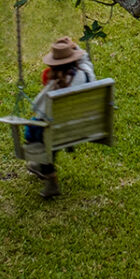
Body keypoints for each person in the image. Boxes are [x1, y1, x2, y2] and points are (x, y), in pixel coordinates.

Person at [24, 36, 95, 198]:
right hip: (85, 126)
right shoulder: (86, 74)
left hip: (61, 131)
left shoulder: (54, 88)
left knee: (35, 129)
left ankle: (49, 177)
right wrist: (73, 46)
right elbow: (85, 60)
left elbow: (38, 108)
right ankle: (39, 165)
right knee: (48, 128)